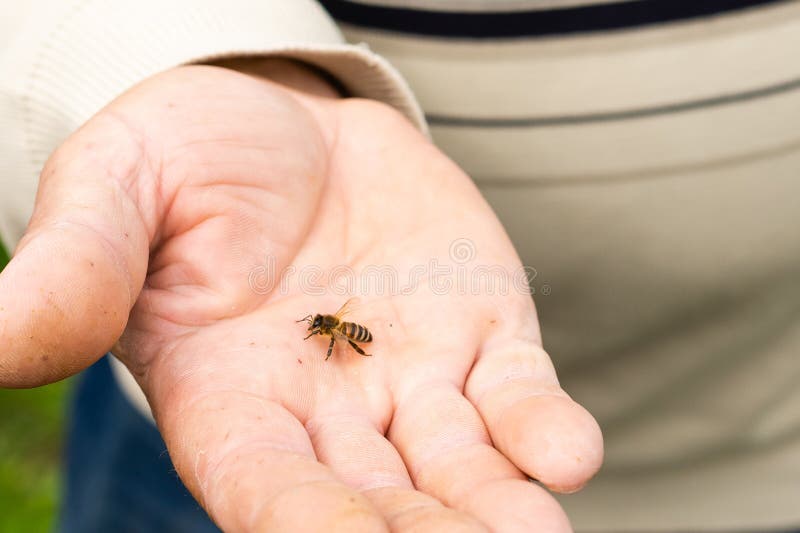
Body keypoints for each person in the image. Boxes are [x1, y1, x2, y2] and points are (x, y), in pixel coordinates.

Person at [0, 1, 797, 532]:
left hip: (769, 440)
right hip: (245, 428)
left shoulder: (335, 324)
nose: (323, 328)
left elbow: (338, 332)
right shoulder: (320, 329)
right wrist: (194, 61)